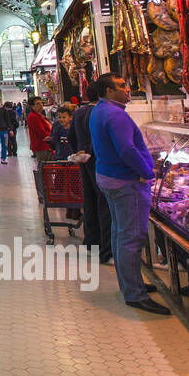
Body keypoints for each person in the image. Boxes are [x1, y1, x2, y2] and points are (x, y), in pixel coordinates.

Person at [89, 74, 168, 315]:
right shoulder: (115, 115)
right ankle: (134, 293)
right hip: (125, 181)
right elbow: (126, 148)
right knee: (130, 238)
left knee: (119, 233)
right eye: (122, 86)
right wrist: (146, 171)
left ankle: (130, 283)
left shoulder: (100, 110)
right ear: (109, 91)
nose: (128, 89)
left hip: (108, 177)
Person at [70, 85, 112, 264]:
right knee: (105, 205)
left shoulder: (79, 112)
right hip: (99, 162)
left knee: (90, 202)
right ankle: (107, 251)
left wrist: (79, 153)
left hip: (84, 162)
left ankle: (91, 242)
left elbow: (71, 136)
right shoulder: (99, 113)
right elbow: (100, 139)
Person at [25, 97, 53, 166]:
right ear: (32, 106)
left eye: (41, 103)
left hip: (46, 145)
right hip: (42, 146)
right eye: (37, 104)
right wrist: (53, 136)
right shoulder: (33, 117)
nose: (40, 105)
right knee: (44, 168)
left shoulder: (39, 115)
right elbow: (42, 133)